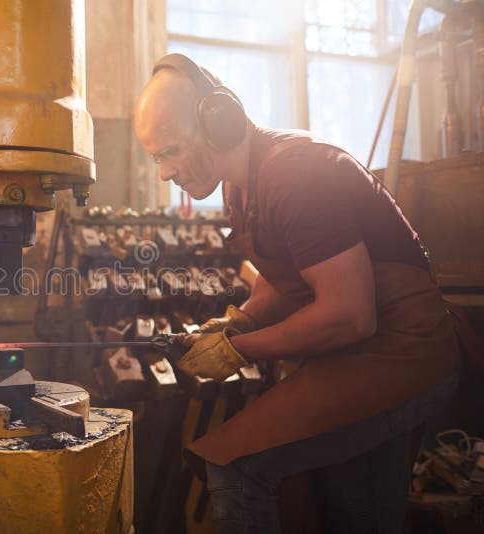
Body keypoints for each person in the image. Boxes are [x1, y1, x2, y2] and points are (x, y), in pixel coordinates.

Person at [134, 53, 460, 533]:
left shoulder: (297, 175)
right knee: (348, 509)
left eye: (170, 152)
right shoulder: (240, 186)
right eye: (156, 158)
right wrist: (238, 321)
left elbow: (349, 313)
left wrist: (237, 349)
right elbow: (289, 275)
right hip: (356, 354)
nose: (164, 173)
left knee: (236, 465)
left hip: (403, 351)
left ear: (218, 122)